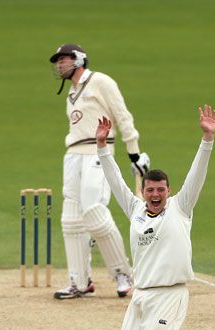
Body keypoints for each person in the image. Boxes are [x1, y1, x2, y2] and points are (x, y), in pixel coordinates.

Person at [96, 105, 215, 330]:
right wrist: (103, 147)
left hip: (170, 295)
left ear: (168, 190)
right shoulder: (134, 209)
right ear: (144, 191)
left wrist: (207, 139)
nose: (155, 195)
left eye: (161, 190)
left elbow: (198, 174)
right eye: (150, 190)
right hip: (141, 295)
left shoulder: (181, 207)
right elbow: (117, 182)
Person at [48, 43, 150, 299]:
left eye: (64, 59)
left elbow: (122, 115)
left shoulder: (101, 81)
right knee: (71, 219)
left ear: (79, 59)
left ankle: (123, 273)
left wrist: (134, 150)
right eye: (58, 60)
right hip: (73, 155)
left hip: (98, 152)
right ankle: (79, 282)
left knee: (94, 211)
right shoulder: (72, 91)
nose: (60, 64)